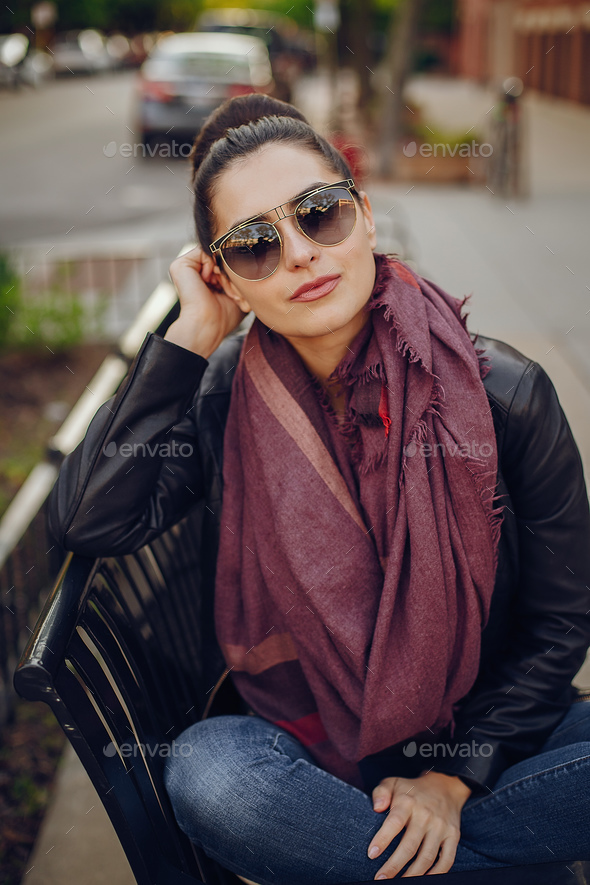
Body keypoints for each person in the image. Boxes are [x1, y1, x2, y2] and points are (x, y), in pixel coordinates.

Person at [47, 94, 590, 884]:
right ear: (225, 277)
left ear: (366, 217)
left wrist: (450, 777)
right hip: (303, 746)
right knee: (213, 780)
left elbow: (559, 619)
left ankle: (406, 847)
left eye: (319, 213)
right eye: (254, 244)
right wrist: (191, 335)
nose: (299, 252)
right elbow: (93, 515)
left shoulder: (504, 393)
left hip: (487, 734)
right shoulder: (225, 395)